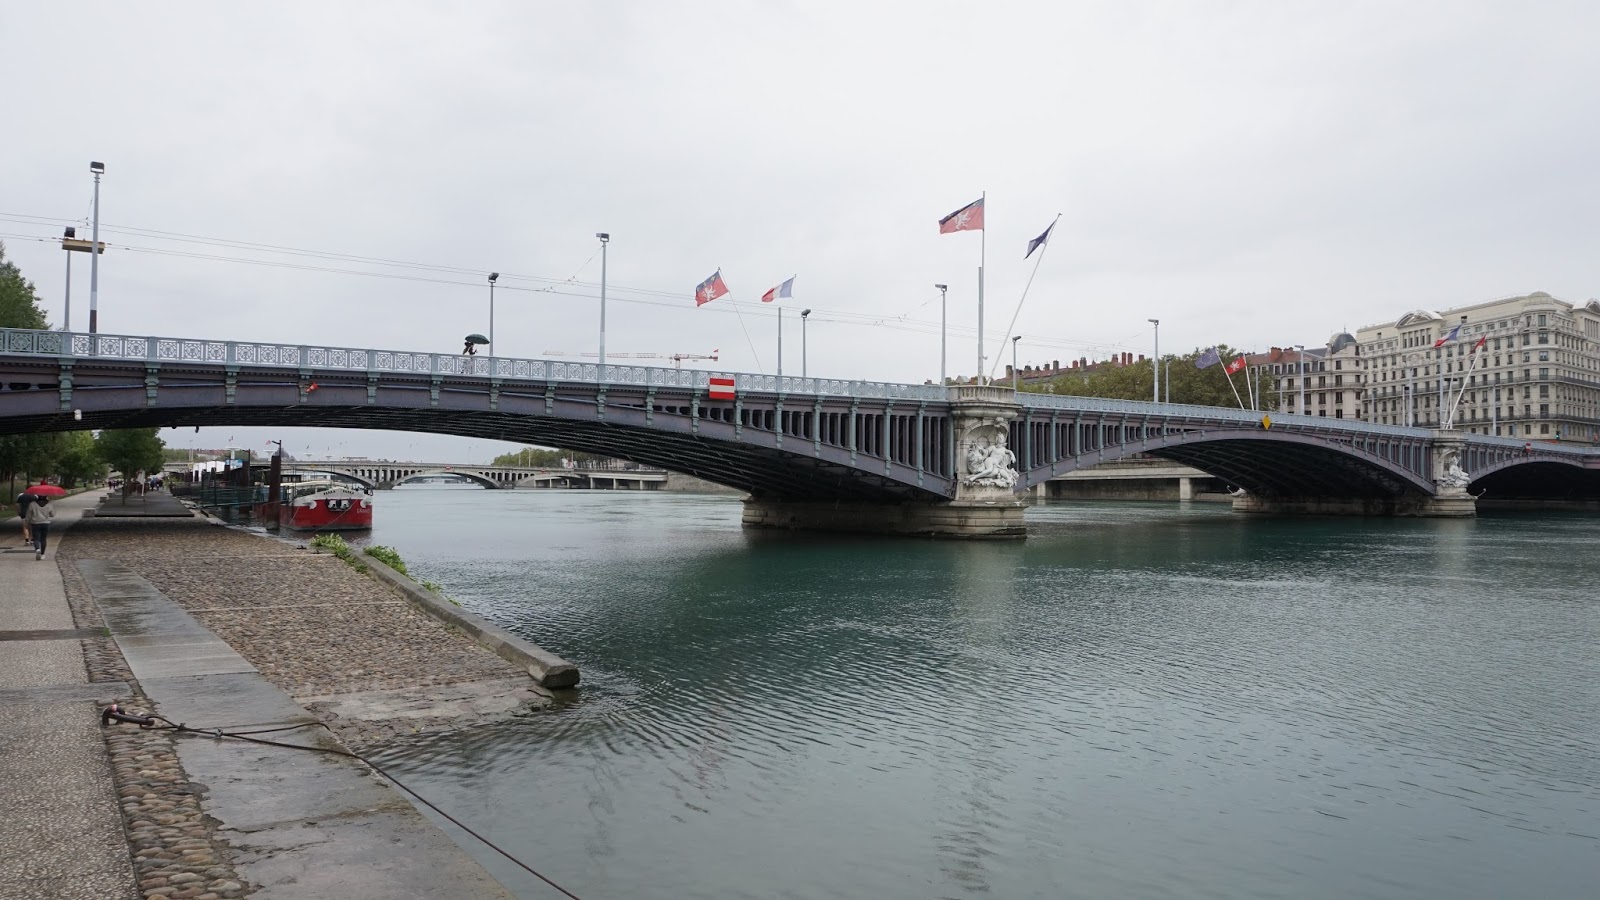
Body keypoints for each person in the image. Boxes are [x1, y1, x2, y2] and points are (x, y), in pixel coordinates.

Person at [25, 495, 53, 560]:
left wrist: (26, 523)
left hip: (35, 523)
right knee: (43, 539)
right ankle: (43, 554)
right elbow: (52, 514)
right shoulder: (49, 504)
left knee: (36, 538)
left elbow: (28, 515)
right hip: (45, 523)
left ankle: (37, 549)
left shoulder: (32, 504)